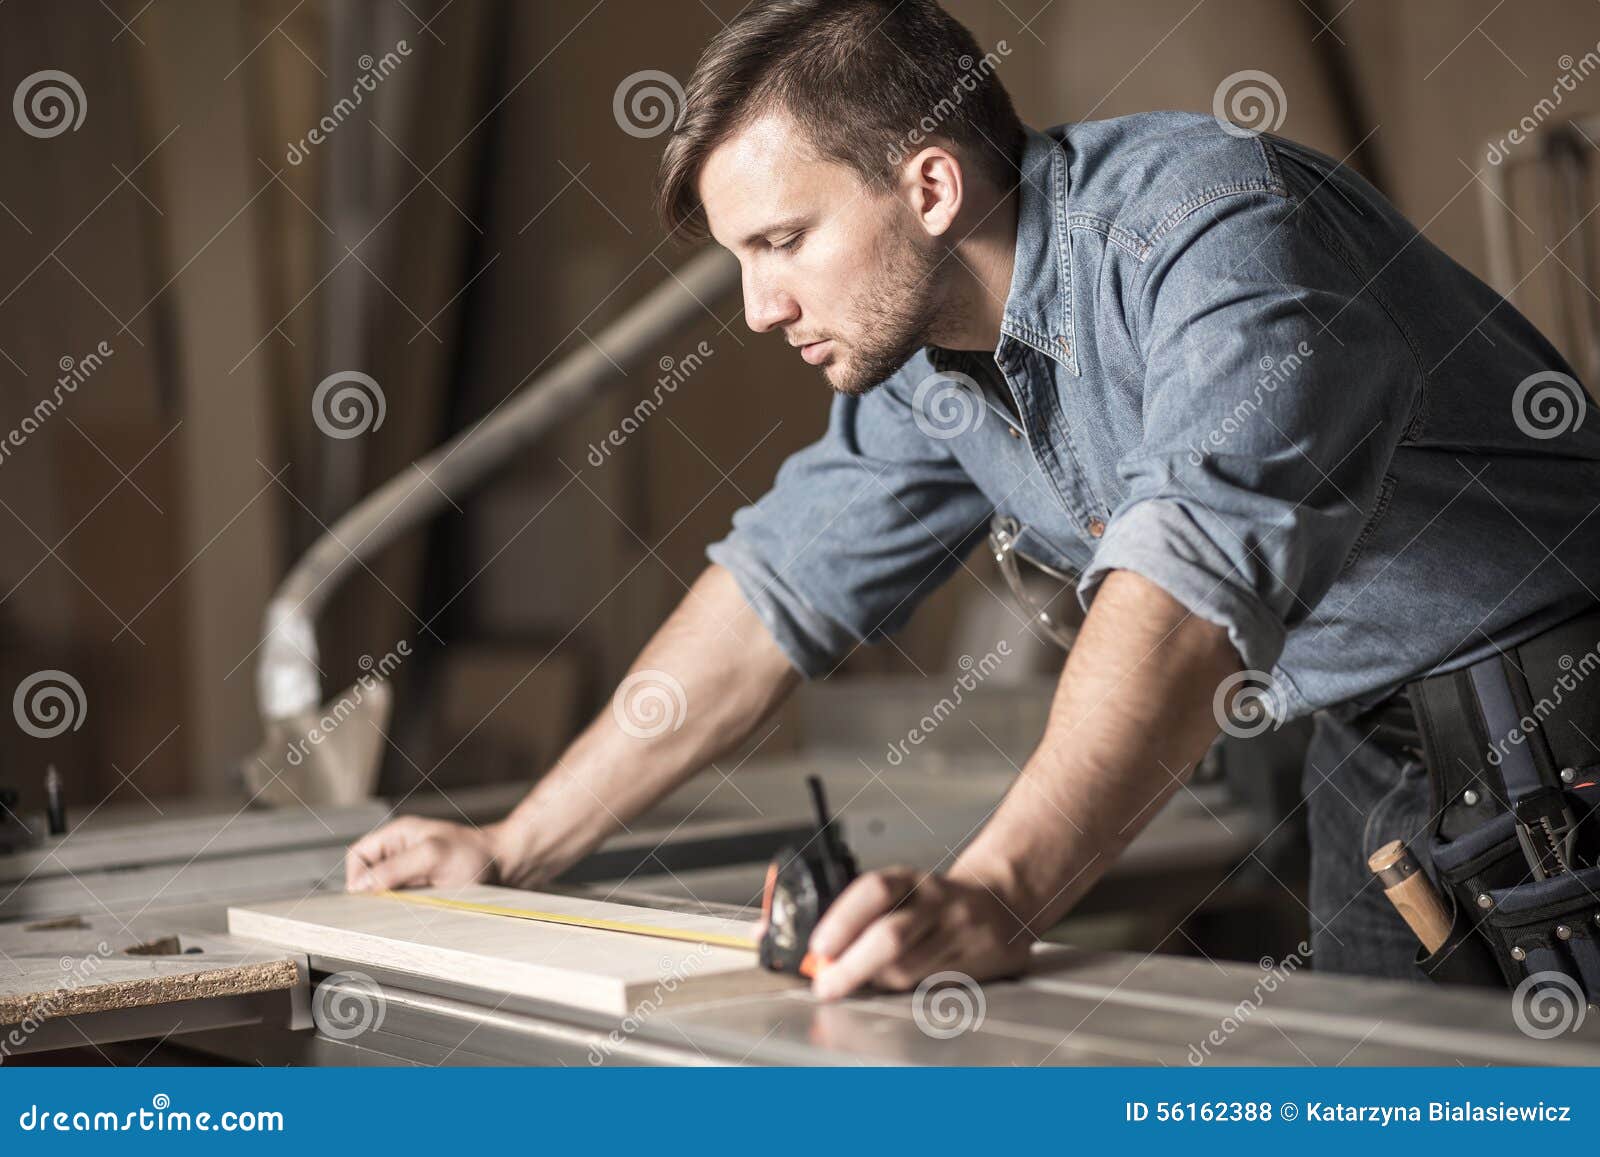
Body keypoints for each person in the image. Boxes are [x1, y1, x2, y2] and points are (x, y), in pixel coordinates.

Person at [347, 0, 1600, 1001]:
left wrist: (995, 893)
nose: (757, 308)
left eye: (781, 242)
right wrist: (511, 845)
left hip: (1559, 710)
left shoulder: (1208, 226)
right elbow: (774, 589)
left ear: (933, 187)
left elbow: (1191, 569)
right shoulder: (933, 362)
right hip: (1368, 750)